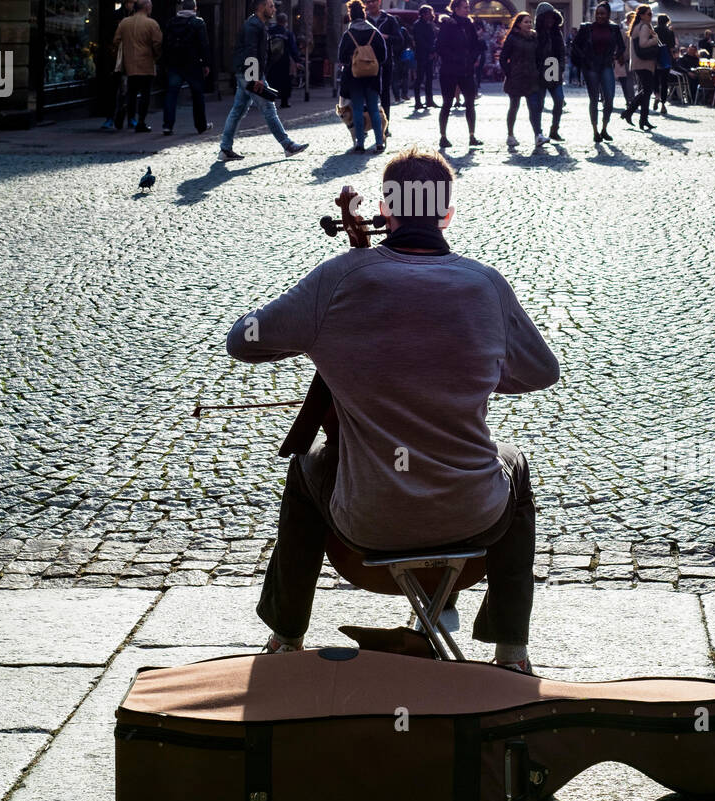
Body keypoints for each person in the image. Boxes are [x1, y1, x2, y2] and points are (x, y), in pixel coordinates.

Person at [226, 147, 561, 675]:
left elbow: (242, 341)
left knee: (306, 464)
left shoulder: (338, 279)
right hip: (476, 516)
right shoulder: (486, 285)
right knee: (513, 461)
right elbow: (542, 372)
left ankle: (286, 635)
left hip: (367, 523)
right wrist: (471, 367)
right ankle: (511, 651)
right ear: (447, 213)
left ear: (386, 210)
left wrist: (323, 332)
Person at [219, 0, 308, 162]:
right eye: (271, 6)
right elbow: (251, 51)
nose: (273, 9)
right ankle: (288, 145)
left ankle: (225, 149)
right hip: (250, 74)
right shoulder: (254, 26)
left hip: (246, 72)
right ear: (261, 7)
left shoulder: (256, 24)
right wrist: (255, 77)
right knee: (268, 108)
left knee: (238, 110)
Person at [570, 1, 626, 144]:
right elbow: (575, 45)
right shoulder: (586, 28)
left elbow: (622, 46)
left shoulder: (614, 28)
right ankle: (595, 131)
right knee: (594, 99)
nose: (600, 16)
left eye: (603, 13)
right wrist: (584, 58)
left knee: (609, 99)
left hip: (606, 65)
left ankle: (604, 128)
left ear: (608, 14)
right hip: (590, 66)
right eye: (598, 13)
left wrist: (615, 56)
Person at [337, 0, 387, 154]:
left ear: (350, 15)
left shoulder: (348, 34)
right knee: (374, 109)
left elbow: (341, 57)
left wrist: (353, 61)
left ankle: (360, 144)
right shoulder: (374, 32)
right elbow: (383, 56)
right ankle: (379, 143)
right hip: (372, 77)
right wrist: (371, 63)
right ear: (364, 14)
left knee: (357, 109)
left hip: (354, 78)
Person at [110, 0, 162, 133]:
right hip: (146, 64)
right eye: (150, 6)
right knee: (145, 94)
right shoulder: (152, 24)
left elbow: (116, 41)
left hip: (129, 64)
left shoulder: (125, 22)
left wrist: (121, 56)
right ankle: (141, 122)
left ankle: (126, 113)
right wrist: (156, 56)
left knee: (131, 93)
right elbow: (157, 43)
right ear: (146, 7)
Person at [436, 0, 482, 149]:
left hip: (467, 70)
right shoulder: (448, 24)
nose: (468, 10)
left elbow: (475, 45)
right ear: (456, 9)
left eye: (468, 7)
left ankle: (472, 136)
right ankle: (443, 137)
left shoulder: (469, 24)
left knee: (470, 103)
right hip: (449, 70)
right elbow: (440, 47)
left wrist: (472, 58)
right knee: (447, 103)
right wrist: (455, 58)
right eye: (465, 7)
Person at [162, 0, 213, 136]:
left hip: (174, 63)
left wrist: (165, 62)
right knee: (197, 95)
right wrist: (206, 63)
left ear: (182, 8)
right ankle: (201, 125)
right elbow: (204, 44)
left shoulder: (171, 22)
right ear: (195, 8)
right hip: (193, 64)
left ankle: (167, 125)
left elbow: (165, 43)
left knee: (171, 94)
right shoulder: (198, 23)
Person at [500, 10, 545, 149]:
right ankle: (510, 135)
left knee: (534, 107)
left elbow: (538, 57)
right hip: (516, 78)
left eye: (530, 22)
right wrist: (510, 73)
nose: (529, 24)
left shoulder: (534, 37)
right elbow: (503, 58)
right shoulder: (512, 38)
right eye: (526, 22)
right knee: (514, 107)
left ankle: (538, 135)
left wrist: (538, 71)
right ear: (518, 24)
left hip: (532, 78)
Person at [102, 0, 139, 131]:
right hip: (117, 56)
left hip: (133, 56)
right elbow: (108, 34)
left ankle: (131, 118)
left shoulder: (138, 16)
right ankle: (110, 118)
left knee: (132, 89)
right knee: (113, 89)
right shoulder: (116, 14)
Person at [364, 0, 401, 131]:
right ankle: (368, 126)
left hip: (385, 63)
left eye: (373, 1)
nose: (371, 4)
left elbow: (399, 40)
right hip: (366, 63)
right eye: (368, 2)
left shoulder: (389, 19)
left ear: (379, 1)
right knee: (367, 95)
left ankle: (385, 127)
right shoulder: (363, 20)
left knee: (384, 95)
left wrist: (386, 37)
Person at [622, 4, 660, 130]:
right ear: (642, 15)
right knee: (647, 91)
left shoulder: (637, 26)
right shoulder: (644, 26)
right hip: (644, 63)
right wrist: (655, 40)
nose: (651, 16)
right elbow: (643, 44)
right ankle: (630, 113)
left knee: (646, 91)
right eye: (649, 14)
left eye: (651, 14)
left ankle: (643, 119)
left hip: (638, 63)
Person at [534, 2, 566, 142]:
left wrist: (561, 67)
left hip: (553, 69)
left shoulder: (557, 33)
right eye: (547, 17)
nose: (550, 20)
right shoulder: (535, 34)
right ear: (541, 18)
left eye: (552, 17)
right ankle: (539, 133)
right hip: (540, 72)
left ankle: (554, 129)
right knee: (539, 104)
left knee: (559, 100)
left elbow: (562, 52)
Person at [265, 6, 300, 108]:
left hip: (271, 59)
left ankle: (269, 102)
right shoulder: (287, 33)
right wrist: (297, 60)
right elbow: (292, 48)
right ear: (285, 22)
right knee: (285, 81)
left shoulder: (270, 31)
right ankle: (284, 102)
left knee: (271, 79)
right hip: (284, 60)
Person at [412, 5, 437, 110]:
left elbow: (433, 39)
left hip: (430, 55)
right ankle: (418, 102)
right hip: (421, 55)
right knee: (419, 78)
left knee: (429, 78)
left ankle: (429, 100)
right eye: (429, 13)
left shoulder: (430, 24)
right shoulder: (418, 25)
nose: (431, 15)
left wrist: (433, 51)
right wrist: (430, 50)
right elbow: (420, 41)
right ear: (423, 14)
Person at [652, 13, 677, 116]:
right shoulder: (670, 32)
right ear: (667, 21)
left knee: (655, 79)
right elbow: (672, 47)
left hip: (654, 58)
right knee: (664, 82)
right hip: (666, 58)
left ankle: (657, 95)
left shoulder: (653, 30)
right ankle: (663, 105)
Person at [614, 20, 634, 109]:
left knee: (625, 80)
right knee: (629, 80)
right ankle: (630, 99)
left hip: (623, 59)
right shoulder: (629, 32)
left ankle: (629, 99)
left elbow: (620, 47)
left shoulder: (622, 32)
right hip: (629, 58)